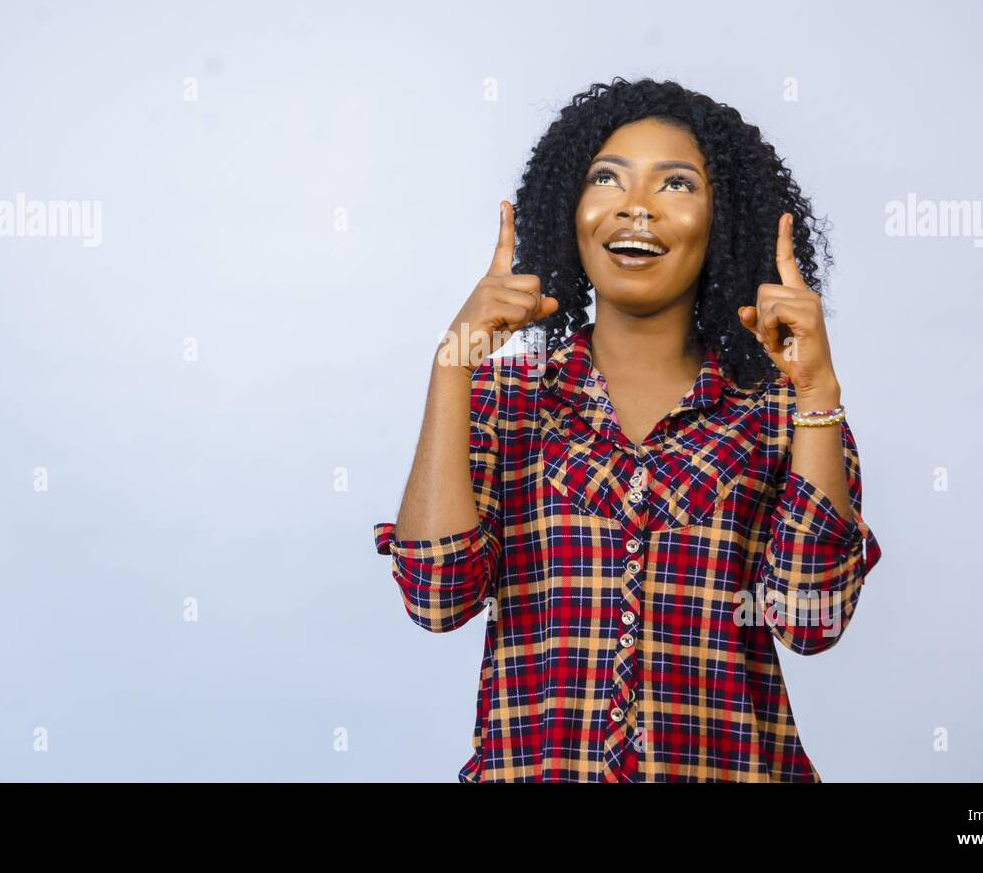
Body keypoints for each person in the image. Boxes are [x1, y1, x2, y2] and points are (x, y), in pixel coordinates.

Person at [373, 77, 883, 782]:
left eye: (675, 184)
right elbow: (436, 595)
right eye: (606, 178)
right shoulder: (505, 401)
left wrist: (818, 391)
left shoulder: (779, 414)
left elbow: (811, 619)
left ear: (723, 222)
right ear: (571, 210)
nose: (635, 205)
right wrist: (451, 366)